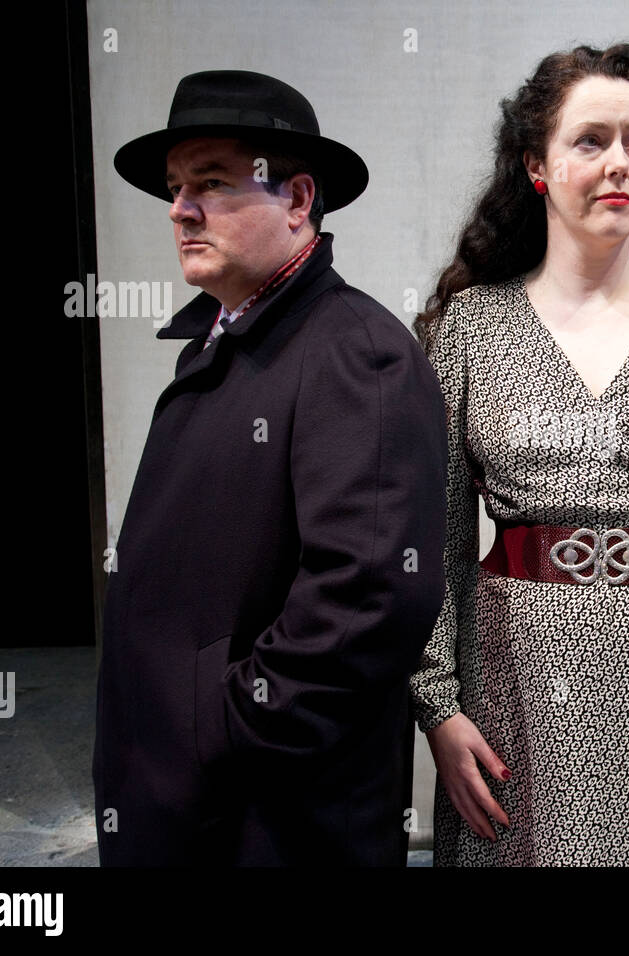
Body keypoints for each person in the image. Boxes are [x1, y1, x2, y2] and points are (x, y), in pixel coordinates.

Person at [409, 43, 629, 866]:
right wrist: (438, 709)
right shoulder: (472, 329)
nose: (620, 164)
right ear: (537, 164)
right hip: (514, 685)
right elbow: (432, 543)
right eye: (592, 141)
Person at [95, 70, 446, 865]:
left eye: (212, 182)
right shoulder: (219, 342)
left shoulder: (358, 354)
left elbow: (370, 596)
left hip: (269, 824)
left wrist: (217, 731)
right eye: (176, 188)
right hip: (189, 806)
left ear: (297, 201)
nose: (181, 208)